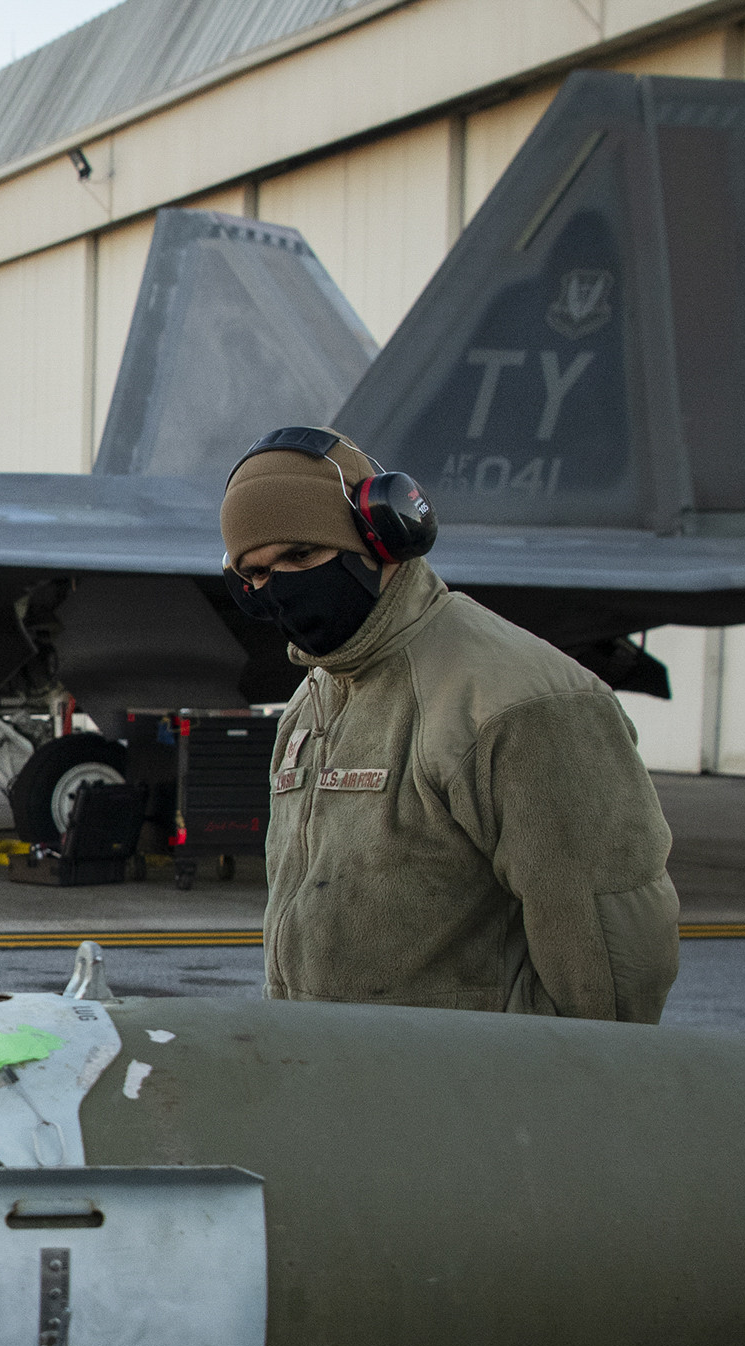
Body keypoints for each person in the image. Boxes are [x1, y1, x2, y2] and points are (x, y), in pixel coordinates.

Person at [222, 426, 678, 1022]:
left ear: (383, 537)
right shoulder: (313, 700)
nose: (281, 587)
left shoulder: (519, 702)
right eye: (257, 573)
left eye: (301, 555)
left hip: (468, 1078)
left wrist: (522, 1078)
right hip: (326, 1068)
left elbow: (613, 978)